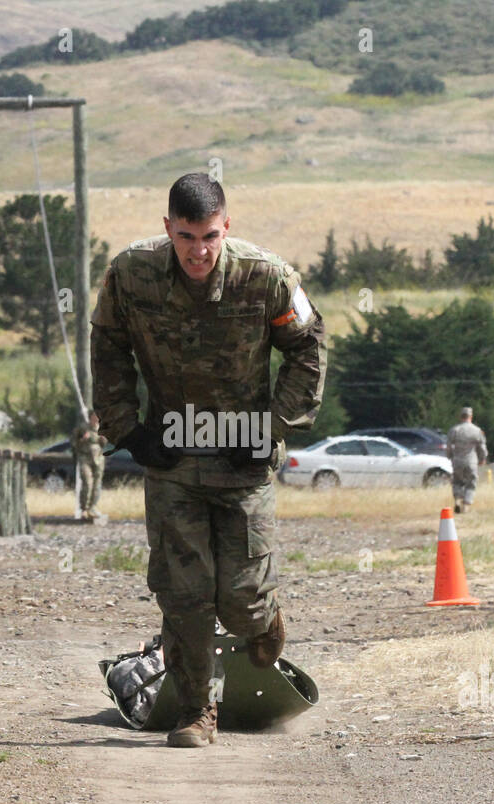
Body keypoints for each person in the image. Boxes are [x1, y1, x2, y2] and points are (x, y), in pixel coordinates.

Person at [91, 173, 326, 747]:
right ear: (167, 227)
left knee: (241, 601)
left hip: (242, 459)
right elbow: (107, 348)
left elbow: (310, 347)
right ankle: (197, 711)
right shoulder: (130, 275)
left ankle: (266, 623)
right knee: (184, 595)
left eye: (211, 237)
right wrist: (130, 432)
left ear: (228, 228)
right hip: (172, 454)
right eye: (187, 236)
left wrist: (272, 426)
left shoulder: (266, 277)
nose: (199, 251)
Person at [447, 407, 488, 513]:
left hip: (457, 461)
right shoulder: (477, 431)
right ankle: (465, 505)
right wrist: (482, 459)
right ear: (471, 416)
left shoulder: (454, 430)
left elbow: (449, 446)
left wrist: (450, 456)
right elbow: (482, 448)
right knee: (471, 483)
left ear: (461, 417)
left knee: (457, 481)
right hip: (471, 461)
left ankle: (457, 500)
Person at [71, 412, 106, 520]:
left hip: (98, 459)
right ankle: (84, 509)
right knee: (87, 482)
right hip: (85, 458)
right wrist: (82, 440)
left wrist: (103, 438)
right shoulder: (82, 428)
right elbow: (73, 442)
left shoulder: (101, 428)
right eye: (94, 416)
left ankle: (92, 507)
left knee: (97, 484)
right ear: (90, 417)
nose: (96, 418)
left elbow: (104, 444)